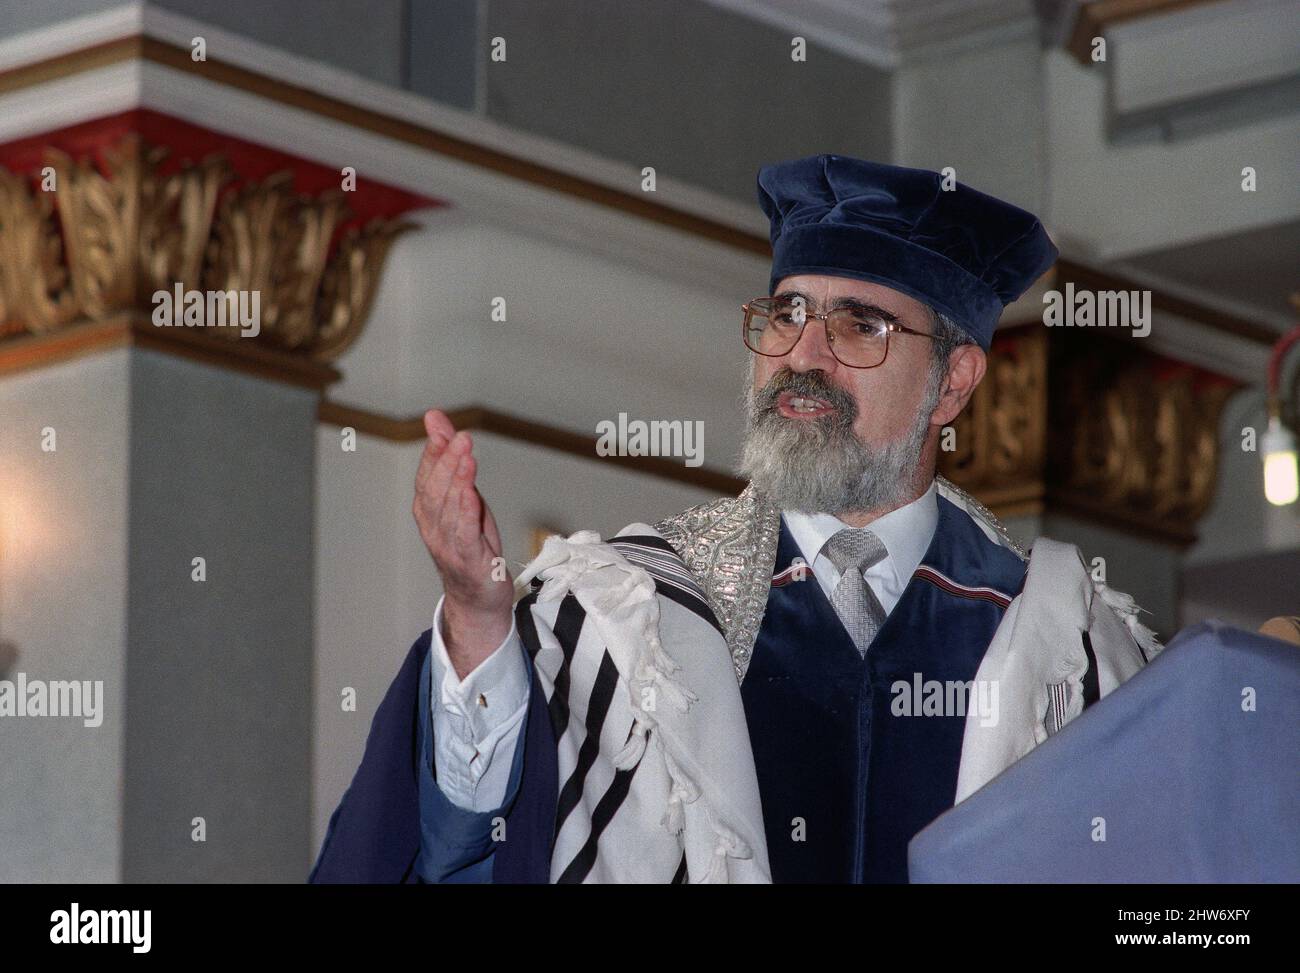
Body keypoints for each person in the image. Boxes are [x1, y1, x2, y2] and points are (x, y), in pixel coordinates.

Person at [310, 154, 1161, 885]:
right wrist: (475, 618)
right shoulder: (627, 617)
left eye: (859, 325)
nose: (803, 354)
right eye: (786, 314)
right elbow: (473, 840)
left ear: (955, 382)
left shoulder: (1070, 656)